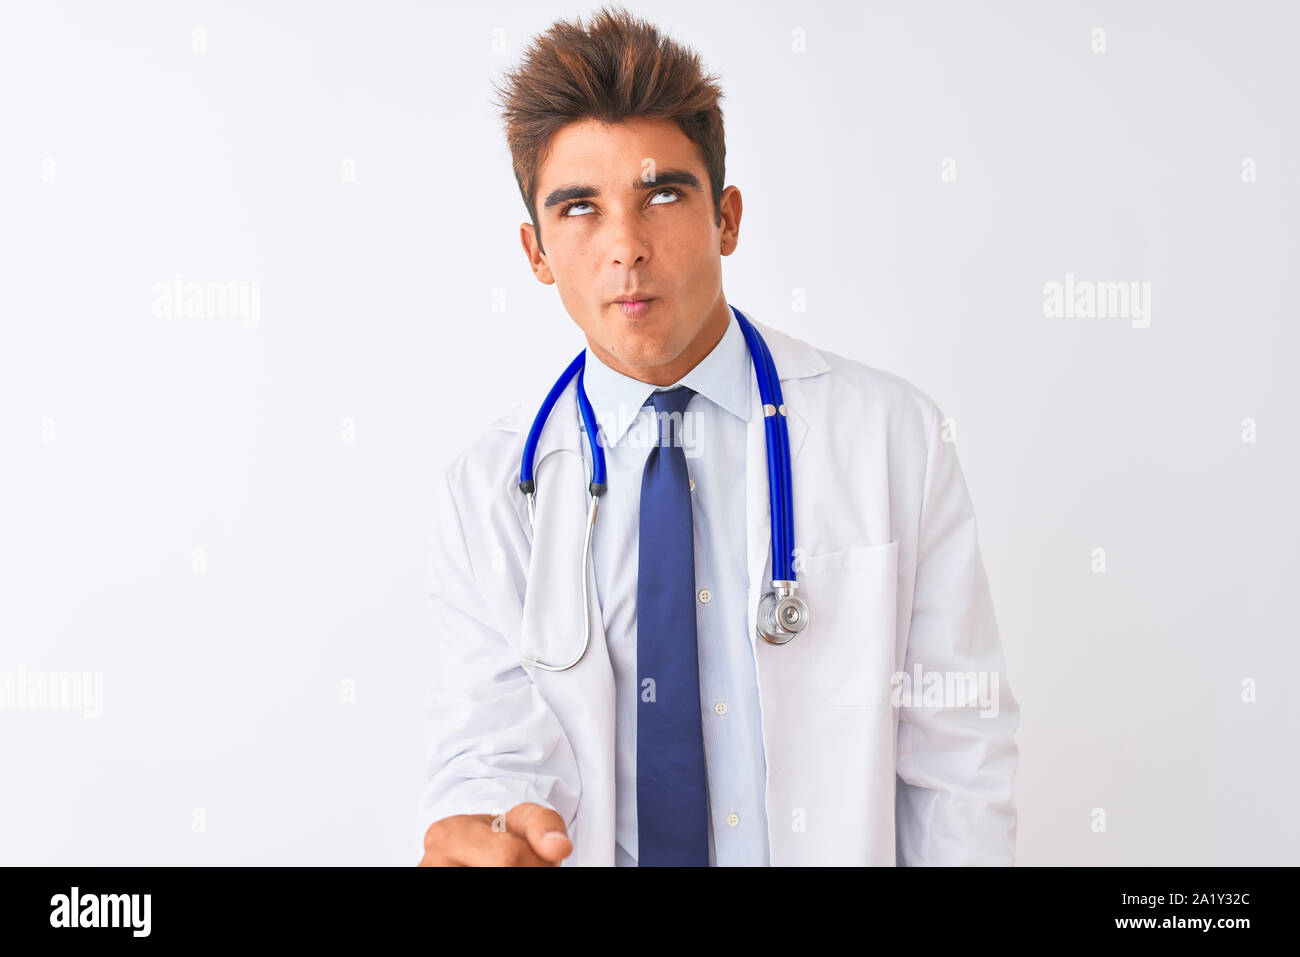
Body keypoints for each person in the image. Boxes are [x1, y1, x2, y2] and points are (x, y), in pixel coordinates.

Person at [416, 5, 1019, 867]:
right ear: (536, 251)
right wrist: (483, 821)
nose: (626, 246)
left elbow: (959, 762)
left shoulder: (893, 438)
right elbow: (490, 748)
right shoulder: (489, 490)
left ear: (726, 218)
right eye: (580, 207)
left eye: (662, 193)